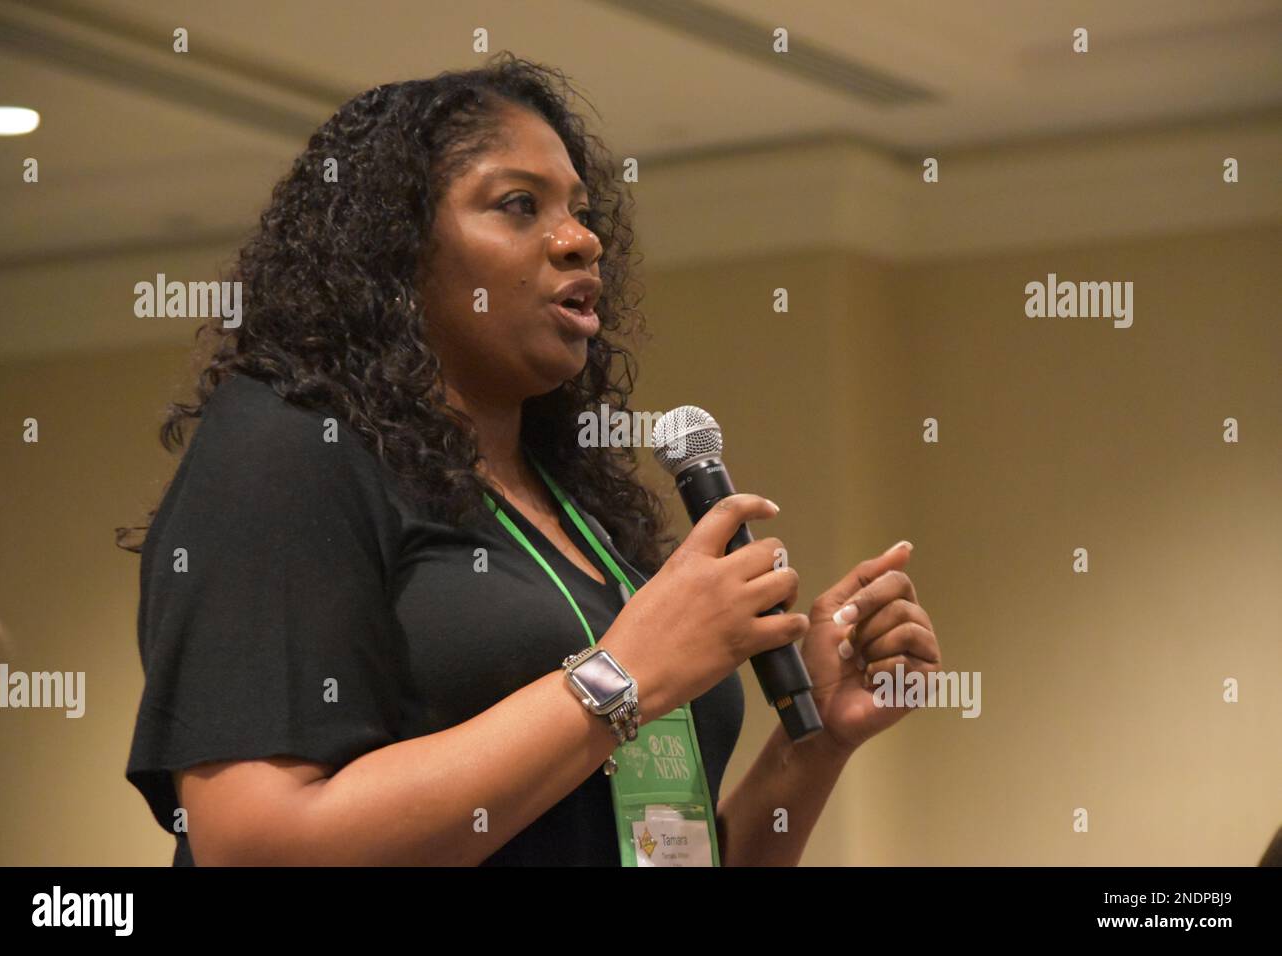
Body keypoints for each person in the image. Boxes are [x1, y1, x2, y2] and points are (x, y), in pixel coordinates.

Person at [118, 52, 942, 866]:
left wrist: (814, 746)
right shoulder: (287, 448)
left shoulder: (573, 509)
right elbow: (254, 843)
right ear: (396, 255)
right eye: (519, 205)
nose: (581, 239)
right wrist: (623, 676)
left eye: (582, 211)